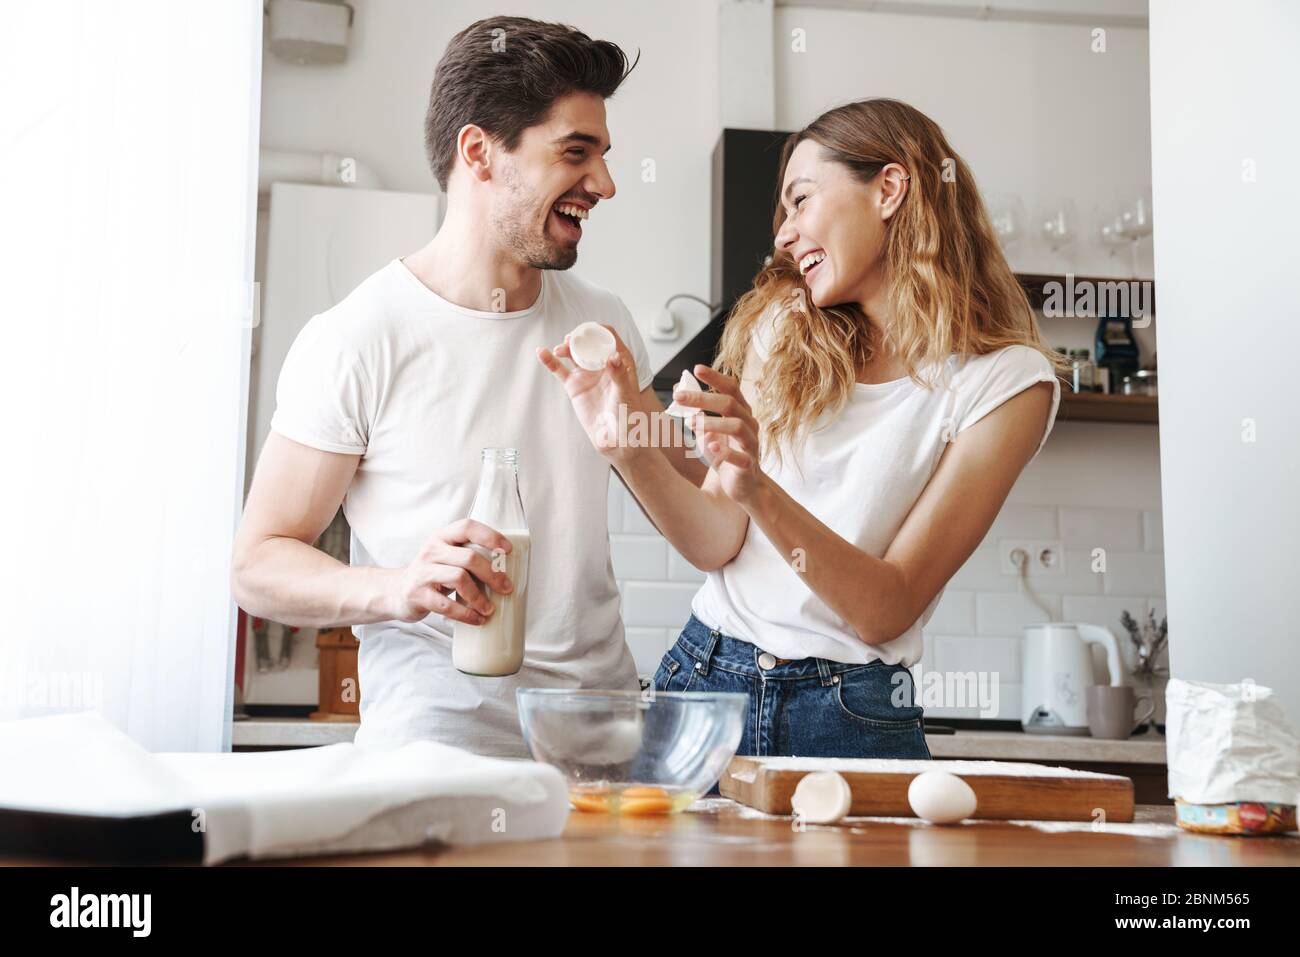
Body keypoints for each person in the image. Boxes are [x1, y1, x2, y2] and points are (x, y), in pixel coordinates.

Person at [231, 16, 705, 757]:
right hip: (435, 755)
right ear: (480, 152)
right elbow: (258, 563)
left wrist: (721, 446)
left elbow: (699, 503)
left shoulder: (602, 325)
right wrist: (396, 587)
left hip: (602, 747)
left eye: (605, 157)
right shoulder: (361, 335)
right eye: (575, 153)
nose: (605, 184)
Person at [540, 98, 1063, 761]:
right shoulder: (784, 328)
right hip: (703, 684)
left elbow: (887, 606)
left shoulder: (1006, 383)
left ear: (890, 189)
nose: (784, 235)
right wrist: (631, 446)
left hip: (851, 715)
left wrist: (758, 488)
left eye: (801, 201)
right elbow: (715, 538)